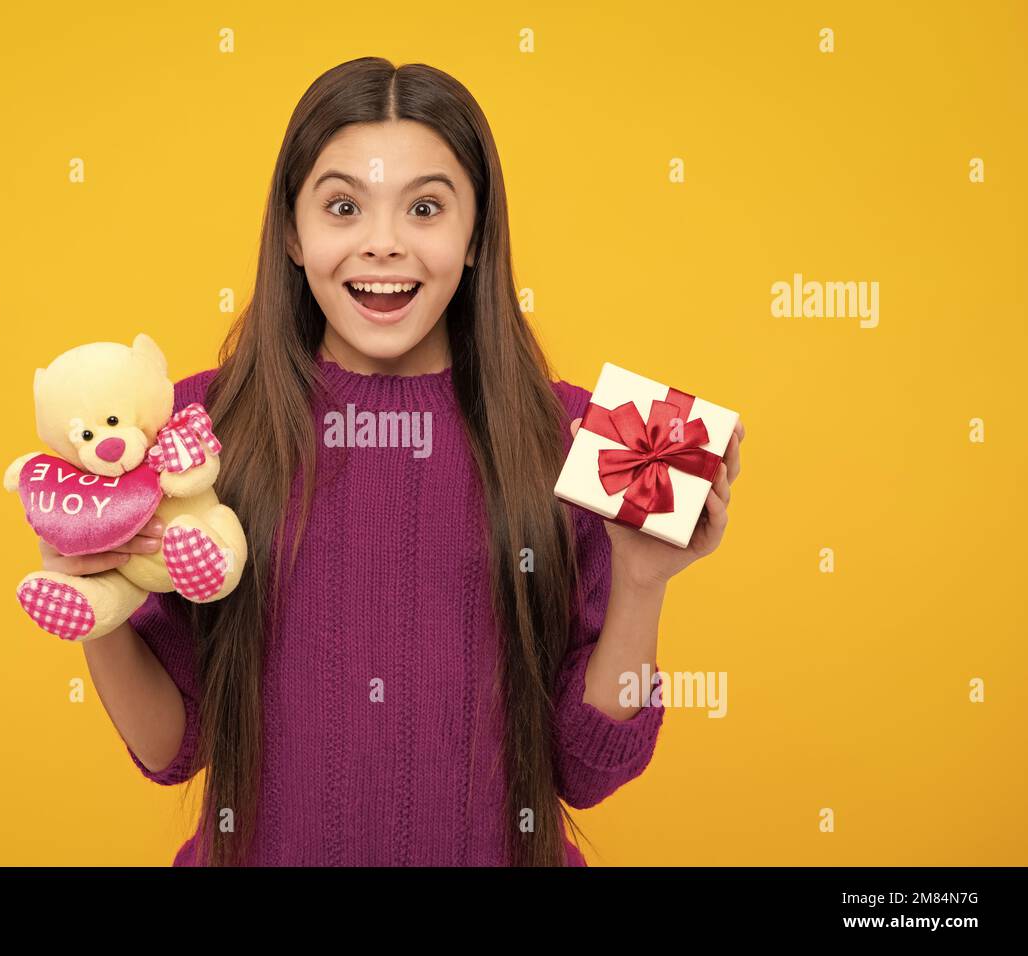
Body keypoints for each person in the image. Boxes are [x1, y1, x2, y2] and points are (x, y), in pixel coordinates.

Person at [37, 57, 745, 866]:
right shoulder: (196, 429)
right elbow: (170, 747)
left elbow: (587, 772)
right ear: (293, 234)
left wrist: (642, 584)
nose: (383, 244)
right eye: (344, 207)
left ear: (476, 235)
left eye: (425, 208)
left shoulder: (582, 435)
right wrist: (92, 594)